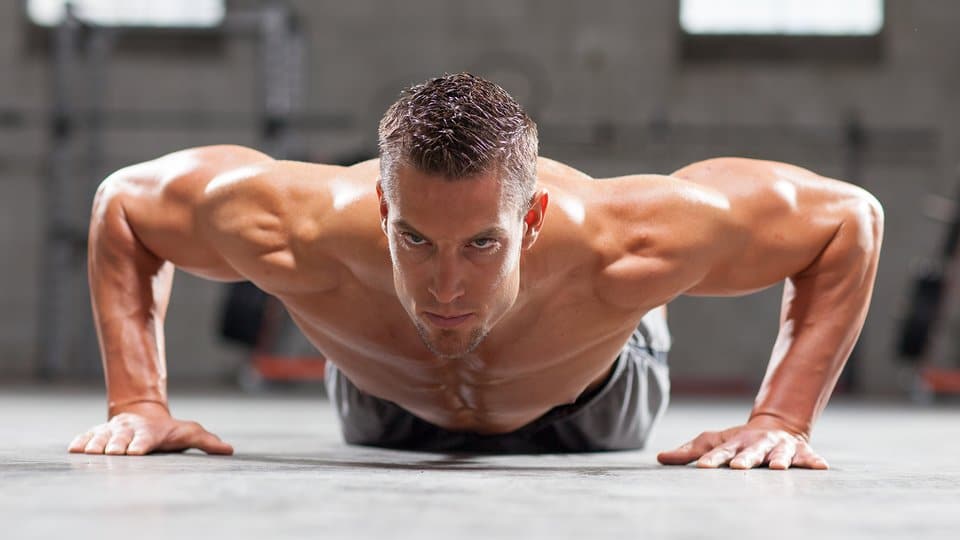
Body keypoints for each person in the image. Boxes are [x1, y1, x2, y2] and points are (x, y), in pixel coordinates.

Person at [68, 73, 883, 469]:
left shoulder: (630, 235)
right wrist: (139, 403)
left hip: (590, 407)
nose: (447, 286)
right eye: (417, 240)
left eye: (482, 245)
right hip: (386, 404)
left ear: (532, 220)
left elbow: (848, 218)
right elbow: (124, 205)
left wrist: (781, 419)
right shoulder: (292, 224)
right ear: (383, 211)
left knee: (633, 294)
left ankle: (640, 315)